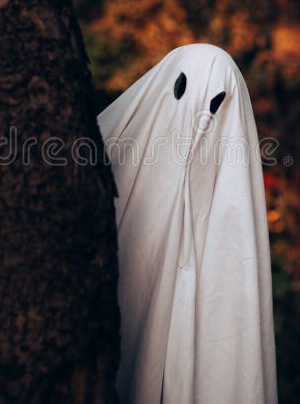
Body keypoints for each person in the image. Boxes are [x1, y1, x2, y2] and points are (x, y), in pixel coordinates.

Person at [98, 43, 278, 403]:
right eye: (182, 89)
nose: (201, 116)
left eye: (216, 104)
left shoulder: (227, 202)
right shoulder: (110, 158)